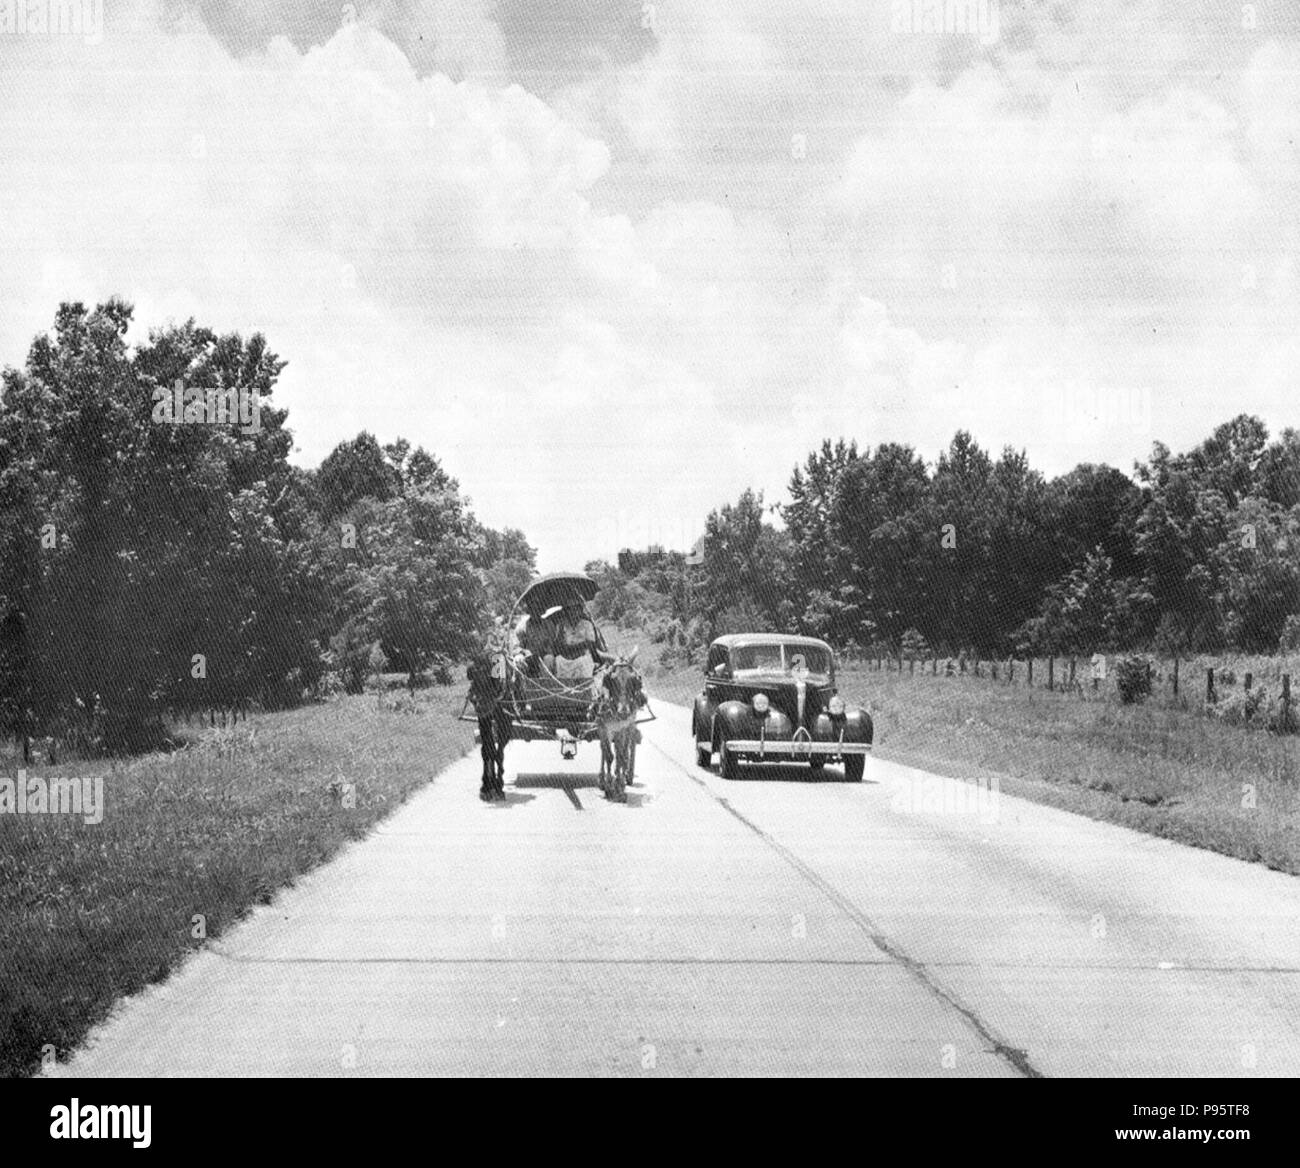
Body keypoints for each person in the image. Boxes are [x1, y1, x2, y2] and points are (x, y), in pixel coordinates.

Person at [542, 600, 612, 679]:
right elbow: (559, 646)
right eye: (570, 609)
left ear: (580, 610)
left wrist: (570, 647)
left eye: (575, 609)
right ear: (566, 611)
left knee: (583, 663)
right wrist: (579, 645)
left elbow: (590, 644)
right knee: (556, 660)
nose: (573, 612)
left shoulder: (587, 624)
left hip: (582, 657)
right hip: (565, 658)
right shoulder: (562, 626)